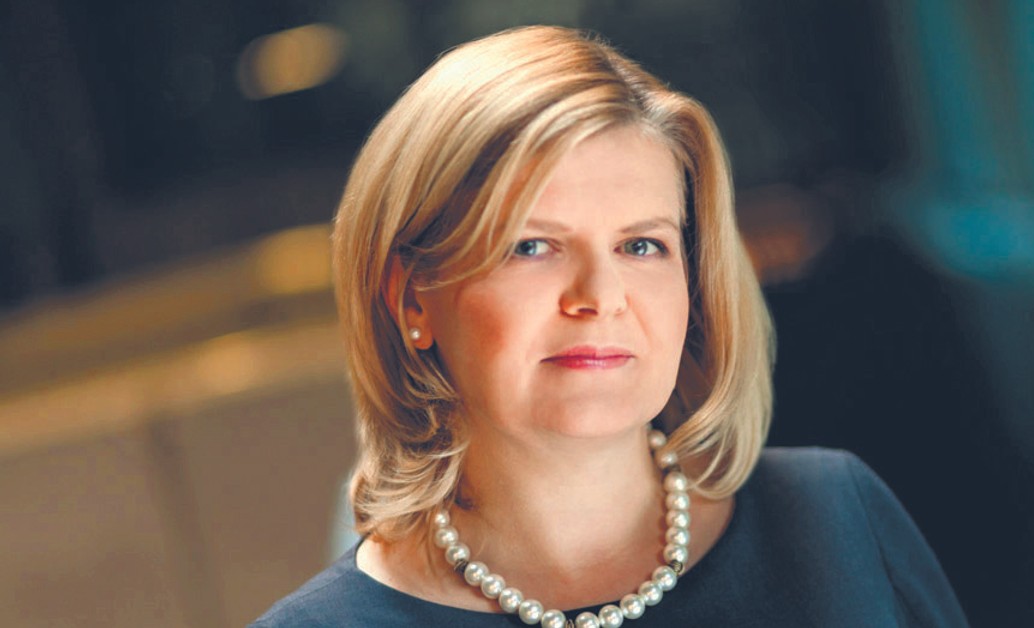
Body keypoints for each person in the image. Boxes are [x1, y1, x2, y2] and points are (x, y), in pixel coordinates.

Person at [253, 25, 967, 627]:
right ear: (412, 300)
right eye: (532, 246)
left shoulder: (837, 521)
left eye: (642, 245)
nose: (601, 297)